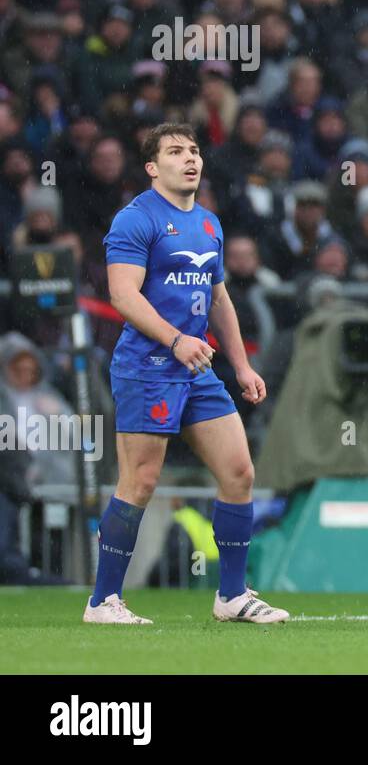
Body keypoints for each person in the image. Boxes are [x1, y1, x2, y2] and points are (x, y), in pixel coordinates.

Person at [86, 123, 286, 625]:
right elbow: (122, 295)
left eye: (194, 151)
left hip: (197, 370)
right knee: (141, 482)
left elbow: (218, 298)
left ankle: (232, 596)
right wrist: (175, 339)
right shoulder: (135, 219)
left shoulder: (209, 223)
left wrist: (240, 365)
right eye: (175, 152)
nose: (189, 159)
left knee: (240, 472)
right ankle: (103, 601)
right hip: (147, 367)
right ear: (153, 167)